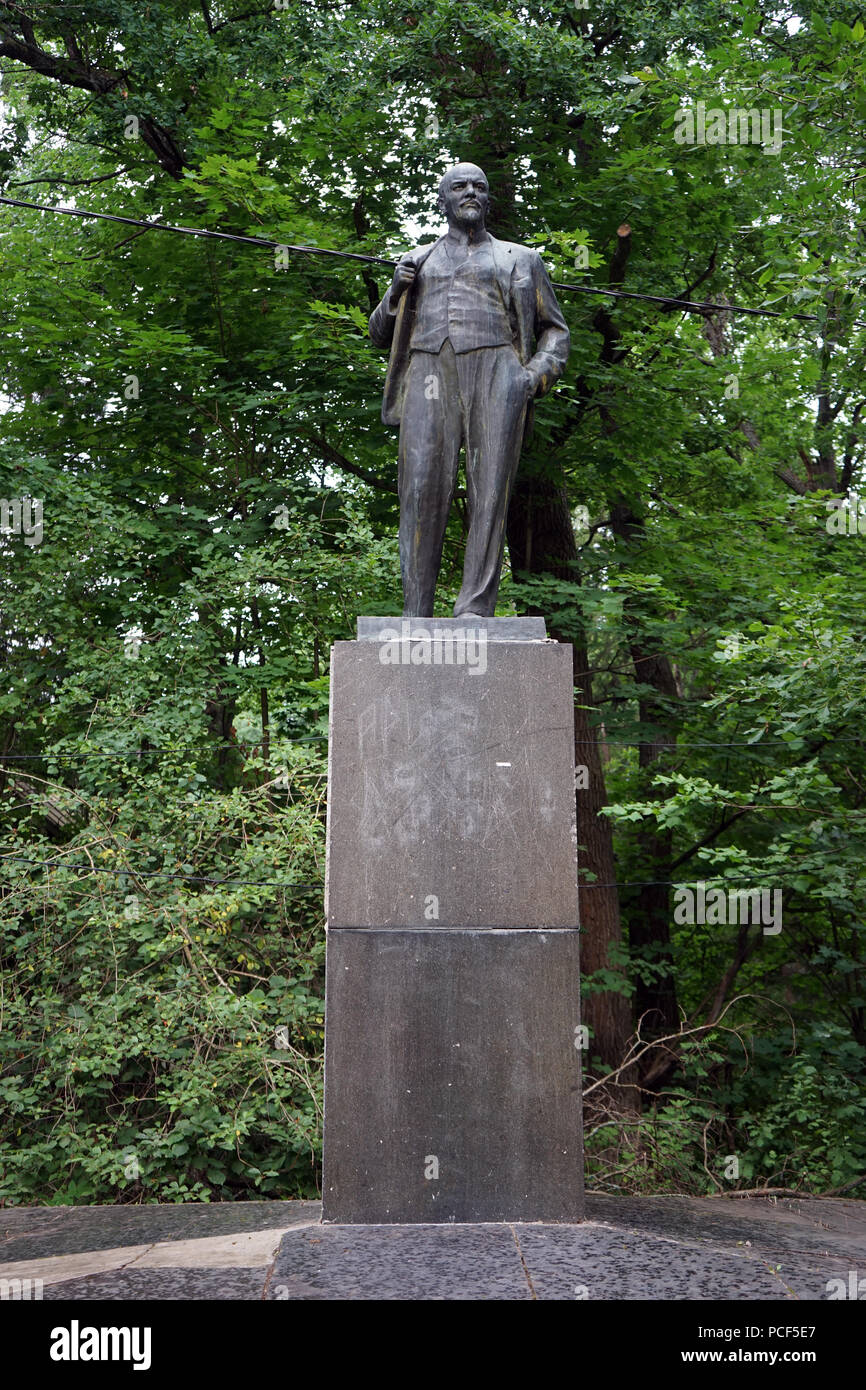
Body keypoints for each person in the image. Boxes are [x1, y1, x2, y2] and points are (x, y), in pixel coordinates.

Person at [368, 162, 570, 618]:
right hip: (427, 371)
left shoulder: (522, 258)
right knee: (419, 488)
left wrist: (532, 377)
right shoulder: (417, 260)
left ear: (488, 198)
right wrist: (393, 292)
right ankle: (415, 611)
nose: (471, 192)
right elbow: (379, 334)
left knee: (490, 491)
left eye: (479, 186)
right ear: (443, 200)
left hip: (498, 370)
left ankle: (475, 608)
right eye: (459, 186)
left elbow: (556, 331)